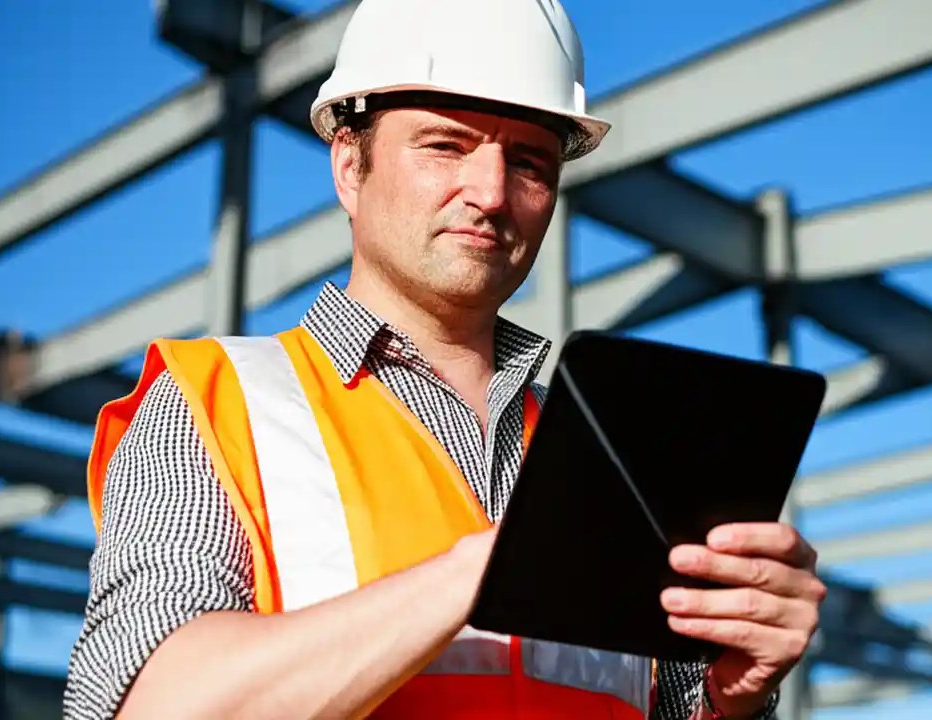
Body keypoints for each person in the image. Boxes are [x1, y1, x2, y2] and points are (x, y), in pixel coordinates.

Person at [64, 0, 826, 718]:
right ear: (349, 166)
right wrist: (477, 571)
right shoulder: (222, 406)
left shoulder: (618, 457)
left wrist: (734, 700)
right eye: (445, 145)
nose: (490, 193)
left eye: (529, 163)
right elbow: (144, 705)